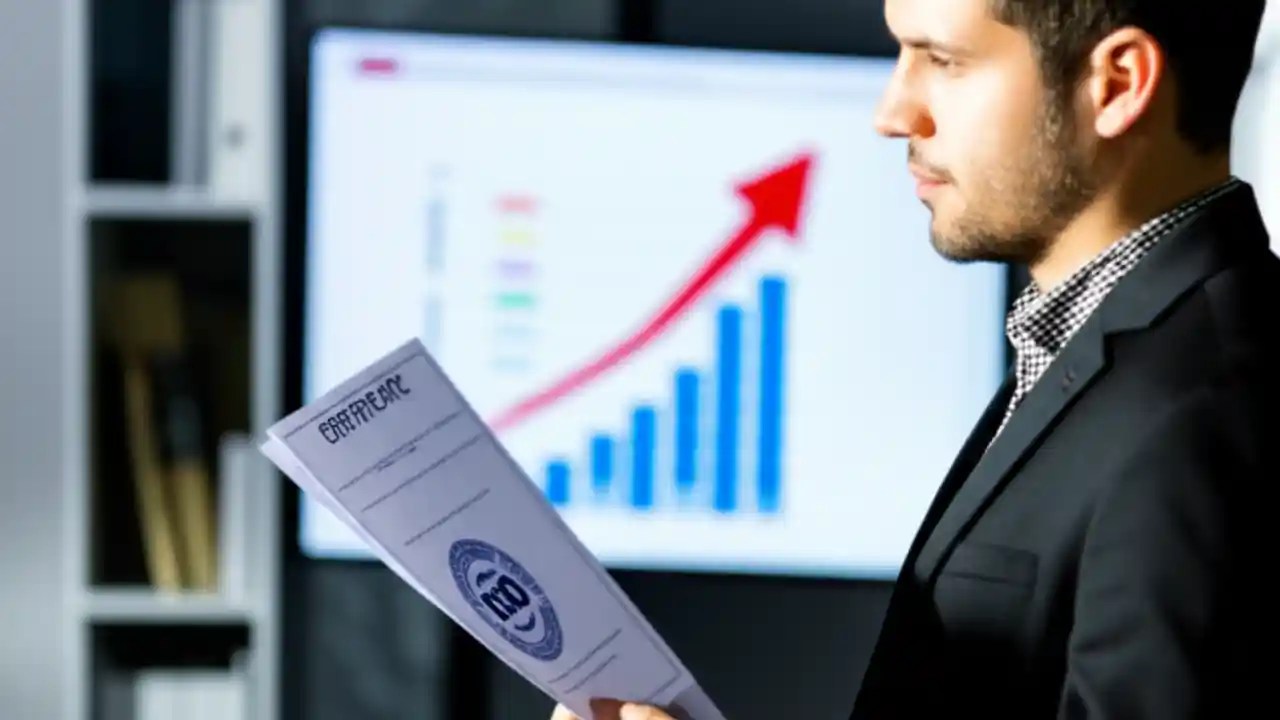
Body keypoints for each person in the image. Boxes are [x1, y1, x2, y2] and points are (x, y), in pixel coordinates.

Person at [553, 0, 1275, 717]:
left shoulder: (1203, 408)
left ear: (1116, 84)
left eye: (944, 61)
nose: (894, 113)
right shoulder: (1109, 348)